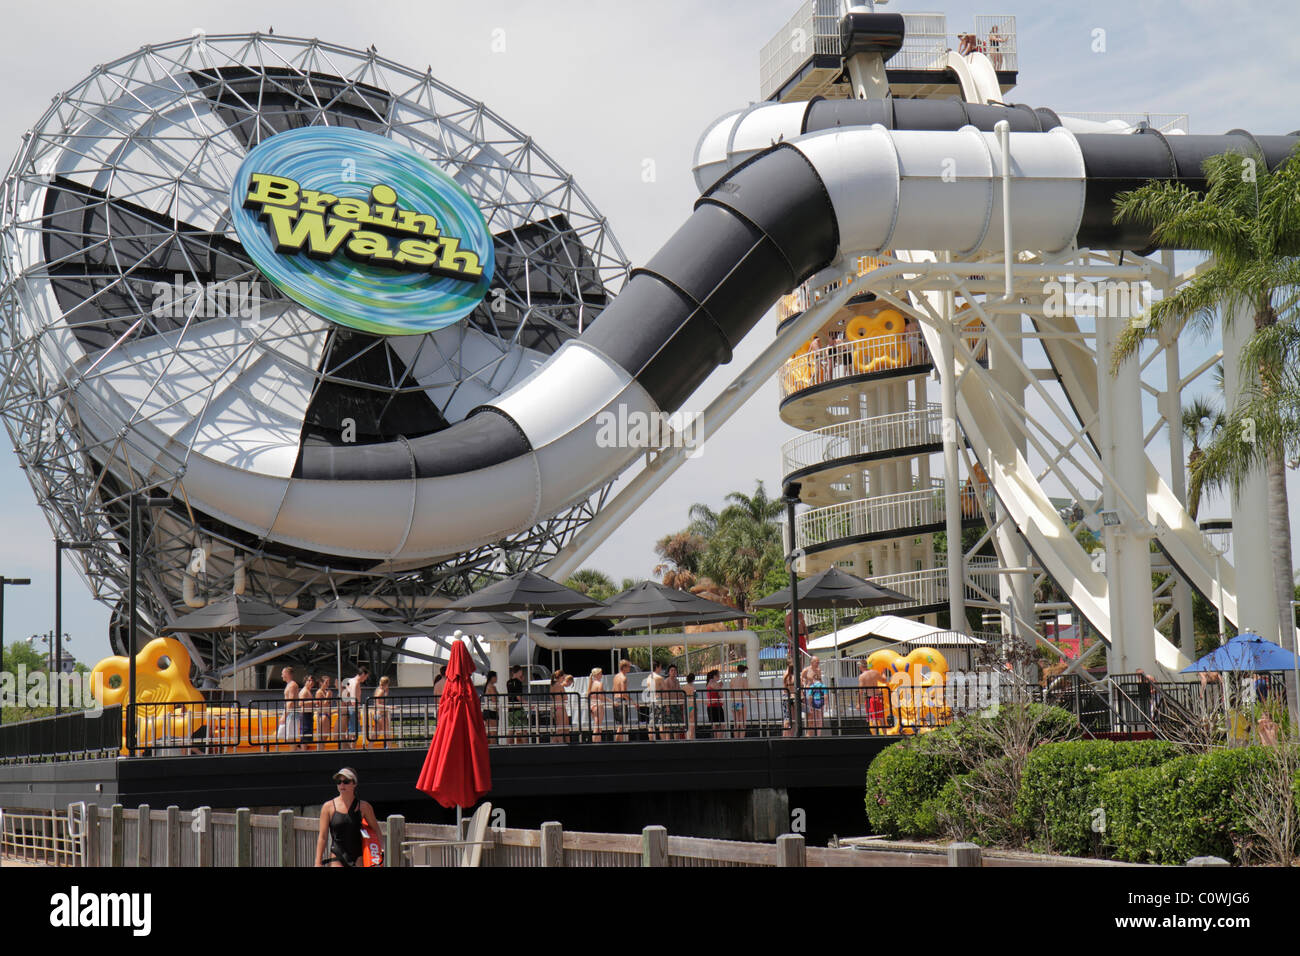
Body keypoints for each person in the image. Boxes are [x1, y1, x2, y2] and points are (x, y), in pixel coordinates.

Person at [315, 767, 381, 867]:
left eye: (346, 781)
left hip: (358, 856)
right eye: (339, 781)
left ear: (354, 784)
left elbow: (376, 830)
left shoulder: (364, 807)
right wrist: (318, 862)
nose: (342, 785)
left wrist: (378, 855)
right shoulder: (328, 807)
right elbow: (323, 837)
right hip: (337, 855)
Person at [802, 657, 827, 737]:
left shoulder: (818, 670)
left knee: (818, 714)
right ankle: (809, 733)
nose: (818, 663)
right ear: (812, 662)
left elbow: (820, 681)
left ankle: (817, 734)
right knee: (810, 714)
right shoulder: (806, 670)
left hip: (817, 693)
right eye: (817, 662)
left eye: (818, 662)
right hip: (809, 692)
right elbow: (801, 680)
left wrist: (823, 691)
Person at [278, 666, 301, 749]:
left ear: (287, 673)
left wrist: (284, 715)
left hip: (292, 713)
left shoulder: (292, 685)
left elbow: (291, 701)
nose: (281, 675)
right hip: (289, 713)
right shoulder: (289, 685)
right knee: (287, 736)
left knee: (291, 737)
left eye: (283, 673)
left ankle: (294, 753)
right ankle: (296, 750)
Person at [858, 660, 886, 728]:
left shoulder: (862, 676)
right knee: (882, 719)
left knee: (873, 718)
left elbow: (860, 691)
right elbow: (884, 680)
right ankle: (885, 736)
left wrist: (858, 703)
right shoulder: (875, 672)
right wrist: (883, 672)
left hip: (871, 698)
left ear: (861, 667)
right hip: (879, 697)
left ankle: (876, 737)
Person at [506, 665, 526, 744]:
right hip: (518, 709)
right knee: (523, 729)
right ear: (519, 672)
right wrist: (526, 703)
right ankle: (526, 747)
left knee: (511, 730)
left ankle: (507, 746)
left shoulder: (508, 682)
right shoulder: (518, 682)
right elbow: (518, 697)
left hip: (510, 709)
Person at [612, 659, 632, 742]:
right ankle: (617, 744)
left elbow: (613, 690)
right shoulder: (623, 678)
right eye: (628, 666)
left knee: (620, 725)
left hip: (616, 700)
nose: (630, 668)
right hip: (621, 701)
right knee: (621, 725)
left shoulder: (616, 676)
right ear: (624, 667)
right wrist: (633, 702)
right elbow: (624, 693)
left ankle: (619, 743)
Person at [663, 664, 683, 739]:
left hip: (677, 705)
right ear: (669, 672)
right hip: (669, 705)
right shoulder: (666, 681)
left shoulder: (677, 681)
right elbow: (666, 694)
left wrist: (682, 702)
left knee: (677, 725)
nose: (673, 672)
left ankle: (677, 741)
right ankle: (668, 743)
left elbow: (679, 692)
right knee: (668, 726)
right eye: (672, 670)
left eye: (675, 670)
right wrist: (667, 706)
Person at [297, 674, 317, 748]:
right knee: (305, 736)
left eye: (312, 680)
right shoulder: (304, 691)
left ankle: (303, 749)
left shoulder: (308, 691)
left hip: (308, 714)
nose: (311, 682)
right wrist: (313, 702)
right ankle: (302, 750)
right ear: (305, 681)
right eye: (309, 680)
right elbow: (300, 703)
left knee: (307, 736)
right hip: (305, 714)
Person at [315, 675, 336, 746]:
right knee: (322, 738)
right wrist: (327, 696)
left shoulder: (326, 692)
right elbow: (323, 705)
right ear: (321, 683)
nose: (328, 684)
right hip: (323, 715)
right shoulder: (319, 692)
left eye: (328, 682)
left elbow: (329, 704)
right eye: (326, 682)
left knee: (325, 737)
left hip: (328, 715)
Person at [730, 664, 749, 739]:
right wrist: (755, 697)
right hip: (741, 702)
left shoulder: (732, 679)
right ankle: (741, 740)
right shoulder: (744, 679)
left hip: (734, 702)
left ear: (737, 670)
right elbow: (747, 692)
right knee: (742, 723)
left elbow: (731, 694)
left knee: (736, 723)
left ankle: (735, 740)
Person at [371, 675, 391, 743]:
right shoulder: (381, 691)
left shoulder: (379, 690)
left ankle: (369, 747)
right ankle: (389, 749)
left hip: (378, 714)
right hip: (381, 714)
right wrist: (388, 707)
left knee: (376, 733)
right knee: (387, 732)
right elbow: (377, 704)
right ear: (386, 684)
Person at [481, 670, 500, 742]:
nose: (497, 679)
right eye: (496, 677)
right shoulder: (491, 687)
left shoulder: (487, 686)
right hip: (492, 711)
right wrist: (497, 710)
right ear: (492, 677)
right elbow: (494, 699)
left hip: (486, 710)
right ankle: (493, 748)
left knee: (488, 732)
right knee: (493, 733)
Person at [704, 670, 724, 734]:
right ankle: (719, 741)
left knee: (715, 726)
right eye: (719, 675)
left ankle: (715, 740)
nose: (720, 676)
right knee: (720, 726)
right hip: (716, 706)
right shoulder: (714, 683)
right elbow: (721, 695)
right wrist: (720, 687)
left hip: (711, 706)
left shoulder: (709, 683)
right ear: (715, 676)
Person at [588, 668, 605, 739]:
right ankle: (595, 744)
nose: (602, 675)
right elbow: (601, 697)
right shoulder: (599, 684)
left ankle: (597, 743)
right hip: (598, 705)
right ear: (597, 675)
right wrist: (611, 702)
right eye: (601, 674)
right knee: (598, 727)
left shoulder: (591, 684)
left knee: (597, 726)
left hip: (592, 705)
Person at [782, 665, 797, 737]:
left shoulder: (785, 675)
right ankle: (790, 735)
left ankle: (785, 736)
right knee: (793, 719)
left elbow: (785, 688)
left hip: (786, 697)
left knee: (787, 718)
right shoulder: (794, 676)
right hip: (792, 697)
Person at [683, 671, 697, 740]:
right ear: (693, 679)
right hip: (692, 706)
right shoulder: (693, 688)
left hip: (686, 706)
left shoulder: (684, 687)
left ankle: (687, 739)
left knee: (687, 726)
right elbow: (694, 699)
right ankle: (692, 739)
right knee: (692, 726)